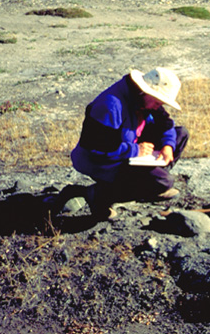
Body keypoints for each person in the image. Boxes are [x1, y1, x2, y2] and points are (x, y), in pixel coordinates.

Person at [69, 67, 189, 220]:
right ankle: (98, 195)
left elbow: (165, 124)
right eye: (158, 102)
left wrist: (168, 146)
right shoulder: (110, 105)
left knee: (180, 134)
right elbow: (97, 146)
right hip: (98, 161)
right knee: (164, 182)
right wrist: (135, 150)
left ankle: (150, 182)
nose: (159, 107)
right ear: (146, 91)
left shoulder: (144, 99)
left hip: (127, 147)